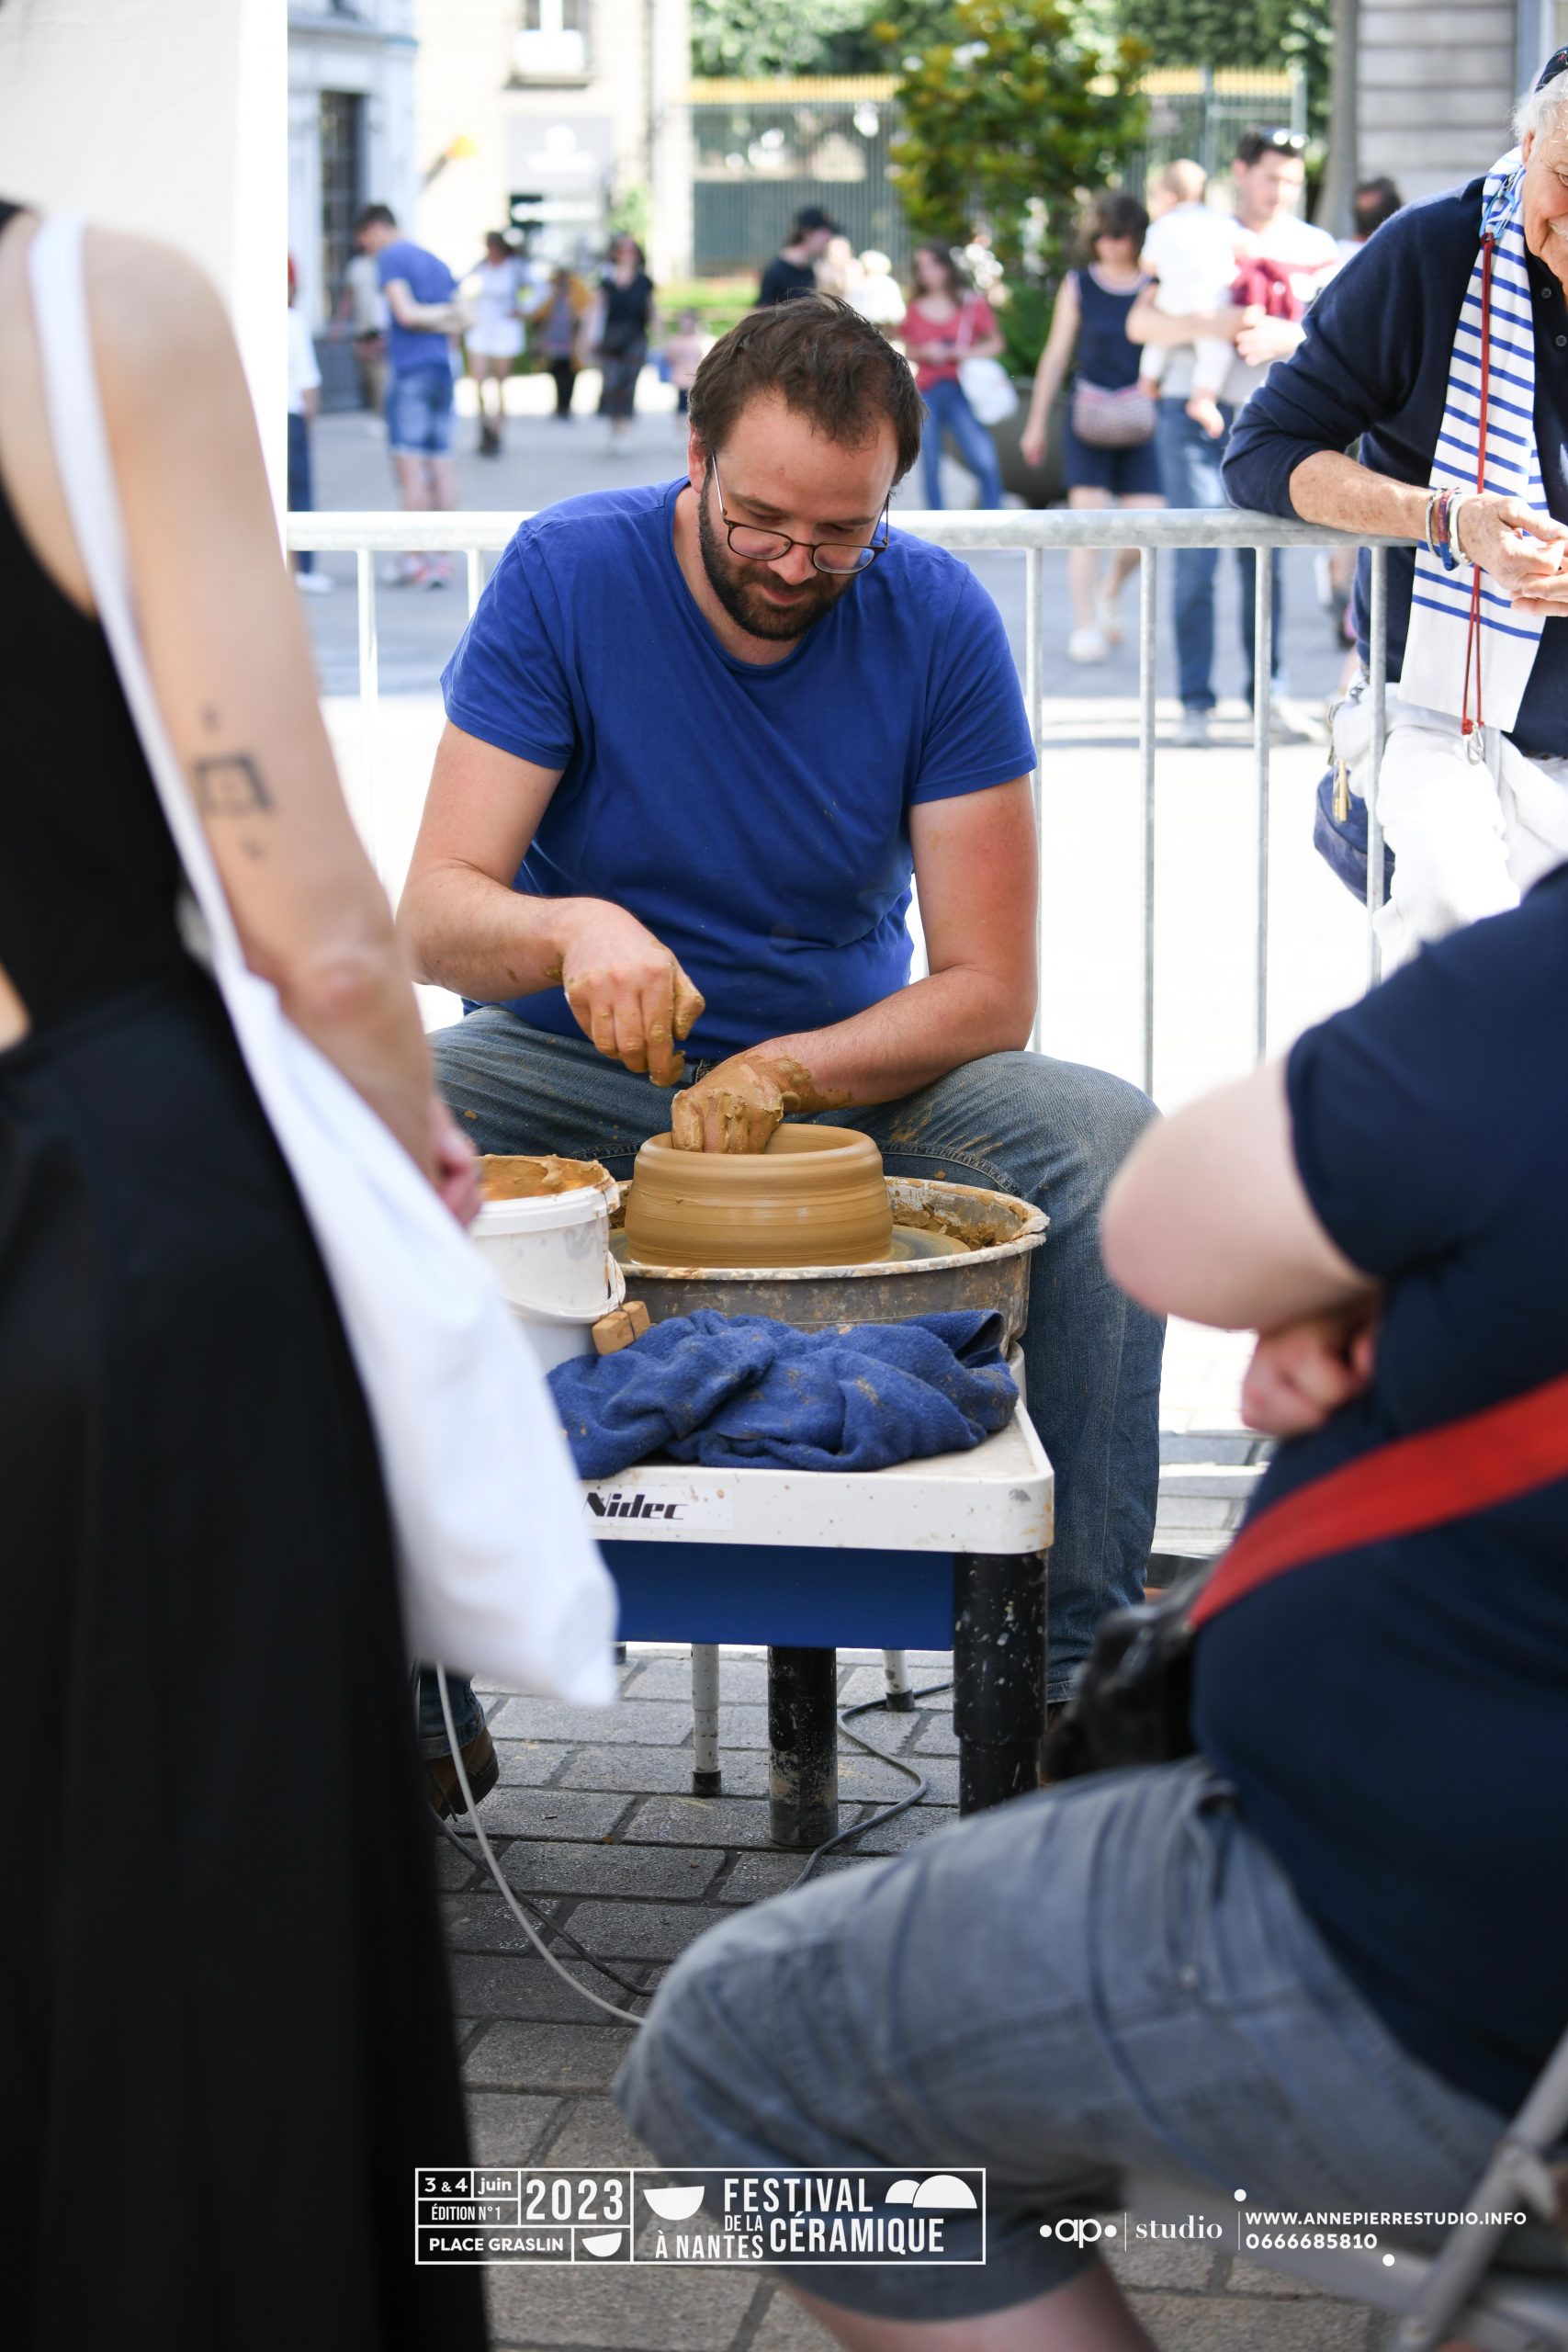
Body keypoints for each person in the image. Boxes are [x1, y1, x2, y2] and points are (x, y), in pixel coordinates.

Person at [615, 844, 1568, 2352]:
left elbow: (1164, 1220)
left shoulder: (1535, 998)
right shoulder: (563, 607)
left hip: (1438, 1968)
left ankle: (1067, 1658)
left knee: (748, 2051)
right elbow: (430, 910)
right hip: (1489, 1940)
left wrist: (1344, 1280)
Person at [395, 291, 1162, 1795]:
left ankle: (1079, 1674)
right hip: (577, 1060)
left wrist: (790, 1067)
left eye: (840, 532)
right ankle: (402, 1669)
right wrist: (572, 932)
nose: (795, 562)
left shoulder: (935, 619)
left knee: (1103, 1140)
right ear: (693, 454)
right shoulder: (569, 572)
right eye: (760, 519)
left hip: (852, 1080)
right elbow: (432, 914)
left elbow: (989, 990)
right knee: (326, 1124)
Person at [0, 202, 483, 2346]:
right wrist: (417, 1149)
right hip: (108, 1233)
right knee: (203, 1974)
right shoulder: (83, 313)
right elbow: (314, 911)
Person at [1224, 51, 1568, 967]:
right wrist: (1449, 519)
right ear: (1527, 141)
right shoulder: (1428, 253)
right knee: (1469, 965)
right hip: (1436, 718)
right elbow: (1263, 453)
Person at [1128, 128, 1339, 746]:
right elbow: (1140, 321)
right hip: (1190, 414)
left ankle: (1266, 698)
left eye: (1292, 182)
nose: (1280, 192)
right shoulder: (1201, 233)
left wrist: (1286, 337)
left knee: (1265, 563)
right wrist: (1212, 321)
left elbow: (1345, 333)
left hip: (1275, 422)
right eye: (1270, 177)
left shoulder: (1317, 247)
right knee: (1194, 562)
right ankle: (1194, 703)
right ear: (1241, 172)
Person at [1020, 191, 1164, 663]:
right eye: (1100, 234)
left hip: (1142, 416)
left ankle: (1111, 588)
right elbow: (1057, 353)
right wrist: (1036, 423)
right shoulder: (1079, 283)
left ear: (1134, 236)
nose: (1107, 243)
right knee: (1087, 525)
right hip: (1090, 414)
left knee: (1146, 532)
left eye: (1117, 234)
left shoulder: (1155, 283)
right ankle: (1085, 624)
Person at [354, 201, 462, 588]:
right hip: (442, 369)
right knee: (441, 465)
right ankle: (442, 560)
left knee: (411, 468)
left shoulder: (392, 257)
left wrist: (420, 316)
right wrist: (443, 316)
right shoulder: (435, 261)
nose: (366, 249)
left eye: (364, 240)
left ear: (376, 228)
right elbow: (463, 317)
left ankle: (414, 559)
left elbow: (405, 313)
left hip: (411, 372)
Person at [1135, 160, 1246, 442]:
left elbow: (1147, 265)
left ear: (1169, 196)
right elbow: (1244, 249)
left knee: (1159, 341)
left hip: (1172, 301)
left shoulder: (1161, 226)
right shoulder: (1220, 222)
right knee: (1216, 352)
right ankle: (1203, 398)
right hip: (1211, 304)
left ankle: (1147, 380)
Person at [901, 242, 1006, 511]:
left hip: (962, 388)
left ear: (946, 266)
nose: (927, 272)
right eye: (921, 267)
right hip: (927, 389)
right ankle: (939, 529)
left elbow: (996, 343)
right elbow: (907, 348)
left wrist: (963, 353)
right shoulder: (914, 307)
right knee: (930, 463)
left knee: (983, 458)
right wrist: (926, 351)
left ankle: (996, 523)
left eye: (932, 265)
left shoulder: (970, 301)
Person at [286, 253, 330, 594]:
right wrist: (310, 424)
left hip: (259, 418)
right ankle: (305, 567)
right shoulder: (294, 322)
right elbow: (307, 380)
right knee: (300, 492)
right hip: (292, 415)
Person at [464, 228, 528, 457]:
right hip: (482, 327)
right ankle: (484, 425)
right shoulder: (481, 267)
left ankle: (497, 429)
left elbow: (539, 289)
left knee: (500, 383)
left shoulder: (515, 267)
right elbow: (460, 285)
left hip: (504, 328)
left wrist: (523, 309)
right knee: (479, 380)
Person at [594, 232, 656, 452]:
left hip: (635, 338)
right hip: (611, 337)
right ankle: (613, 424)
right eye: (622, 250)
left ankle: (626, 429)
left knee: (629, 383)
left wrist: (660, 338)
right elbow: (597, 312)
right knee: (611, 382)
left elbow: (651, 311)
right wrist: (587, 339)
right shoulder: (606, 281)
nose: (626, 255)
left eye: (631, 250)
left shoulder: (644, 282)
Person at [333, 240, 388, 415]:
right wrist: (338, 325)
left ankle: (383, 415)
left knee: (383, 375)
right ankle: (377, 412)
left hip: (384, 330)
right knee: (369, 376)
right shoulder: (357, 266)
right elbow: (348, 297)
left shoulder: (389, 263)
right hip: (363, 329)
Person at [532, 261, 592, 420]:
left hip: (572, 338)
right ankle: (559, 404)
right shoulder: (549, 289)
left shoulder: (577, 289)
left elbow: (585, 310)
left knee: (570, 372)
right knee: (556, 370)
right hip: (553, 338)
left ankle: (566, 404)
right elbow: (538, 311)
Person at [758, 205, 837, 307]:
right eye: (824, 232)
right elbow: (761, 313)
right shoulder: (775, 272)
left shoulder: (809, 271)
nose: (829, 238)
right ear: (807, 232)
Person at [662, 305, 705, 421]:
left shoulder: (699, 340)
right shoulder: (676, 341)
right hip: (681, 376)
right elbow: (669, 357)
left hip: (695, 377)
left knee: (694, 404)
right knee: (682, 403)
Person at [846, 246, 905, 332]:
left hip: (864, 329)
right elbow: (898, 312)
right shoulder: (890, 283)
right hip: (886, 328)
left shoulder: (860, 284)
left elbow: (851, 308)